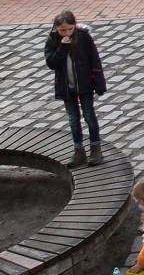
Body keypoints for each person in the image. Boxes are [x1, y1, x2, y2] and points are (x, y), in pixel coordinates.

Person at [44, 11, 108, 165]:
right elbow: (51, 63)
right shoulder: (53, 40)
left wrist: (99, 84)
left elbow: (95, 60)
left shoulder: (84, 37)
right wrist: (62, 47)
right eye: (62, 30)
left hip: (84, 85)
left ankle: (96, 149)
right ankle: (78, 150)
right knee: (73, 119)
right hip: (66, 87)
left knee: (89, 116)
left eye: (69, 29)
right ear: (56, 29)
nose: (66, 33)